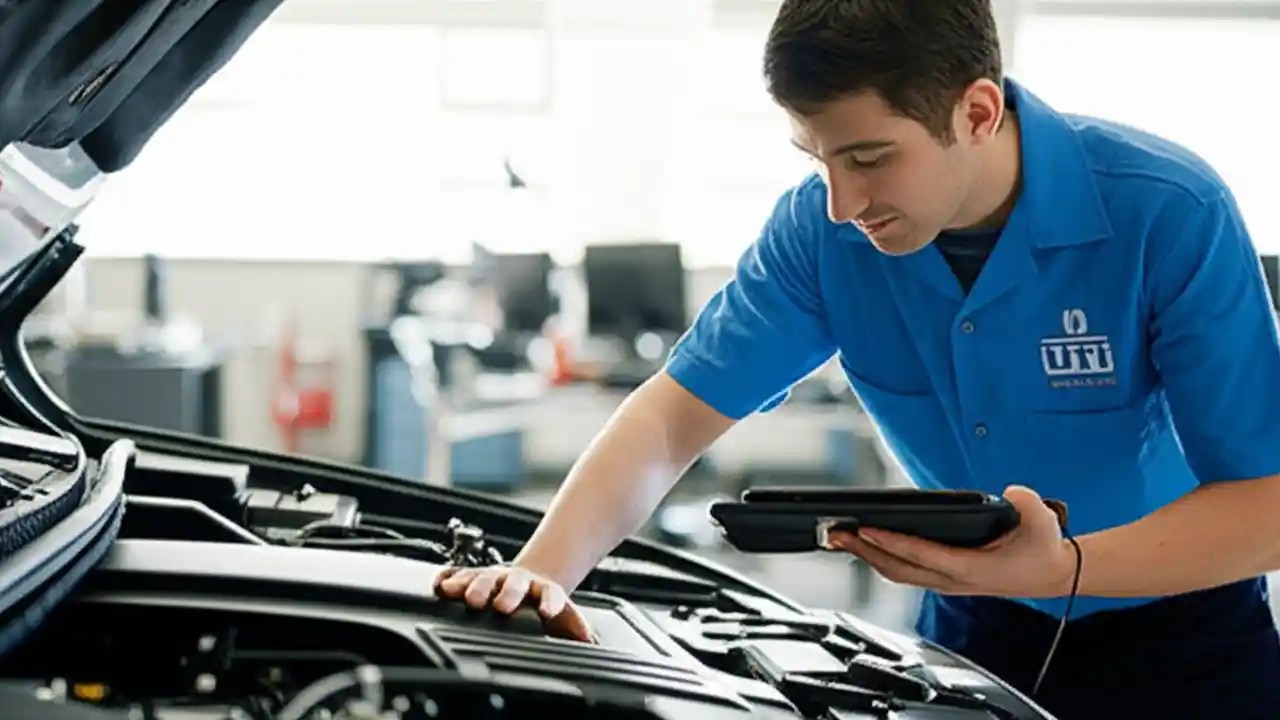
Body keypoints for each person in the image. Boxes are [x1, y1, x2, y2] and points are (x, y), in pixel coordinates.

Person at [435, 1, 1280, 717]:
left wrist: (1072, 566)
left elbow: (1267, 506)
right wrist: (541, 577)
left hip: (1187, 646)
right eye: (819, 159)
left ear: (978, 112)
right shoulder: (818, 232)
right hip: (970, 636)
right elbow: (669, 419)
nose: (842, 203)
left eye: (870, 159)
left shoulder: (1169, 213)